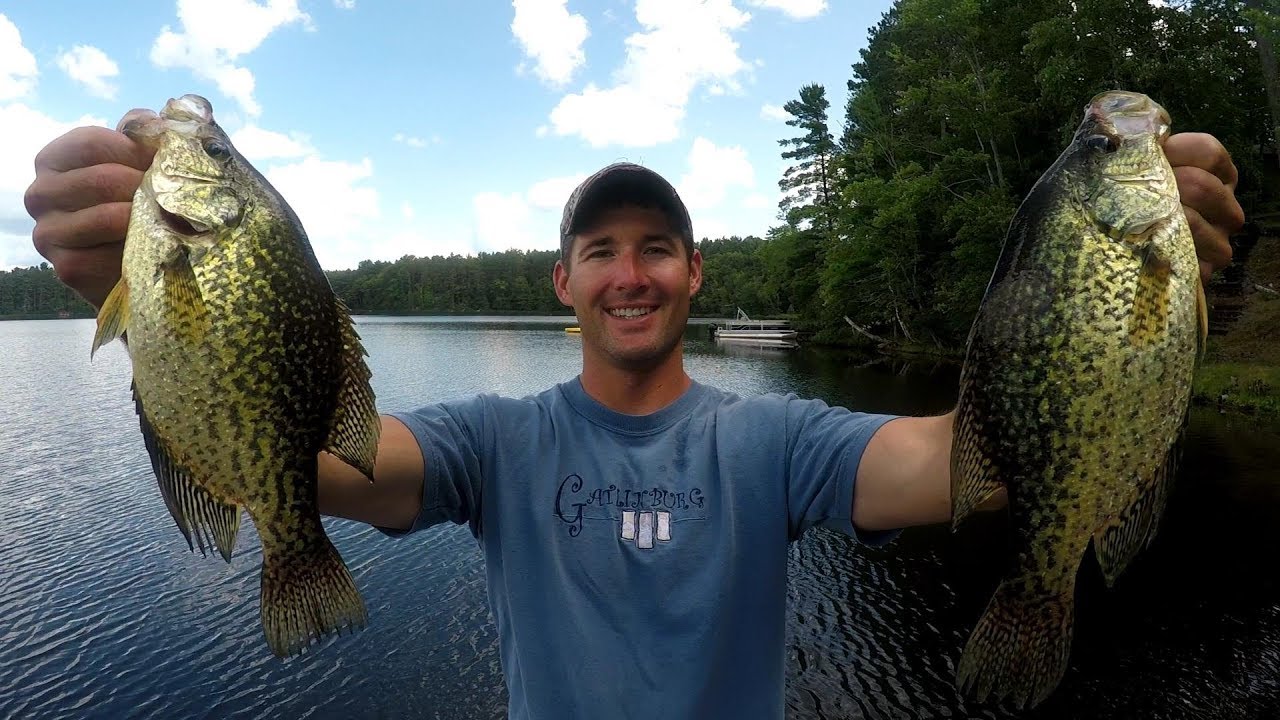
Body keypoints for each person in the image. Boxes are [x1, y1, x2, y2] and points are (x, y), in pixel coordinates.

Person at [24, 110, 1244, 719]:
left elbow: (954, 465)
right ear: (561, 282)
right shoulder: (494, 440)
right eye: (598, 250)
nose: (628, 272)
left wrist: (1122, 338)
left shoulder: (774, 439)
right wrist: (168, 325)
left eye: (655, 247)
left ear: (693, 273)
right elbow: (345, 471)